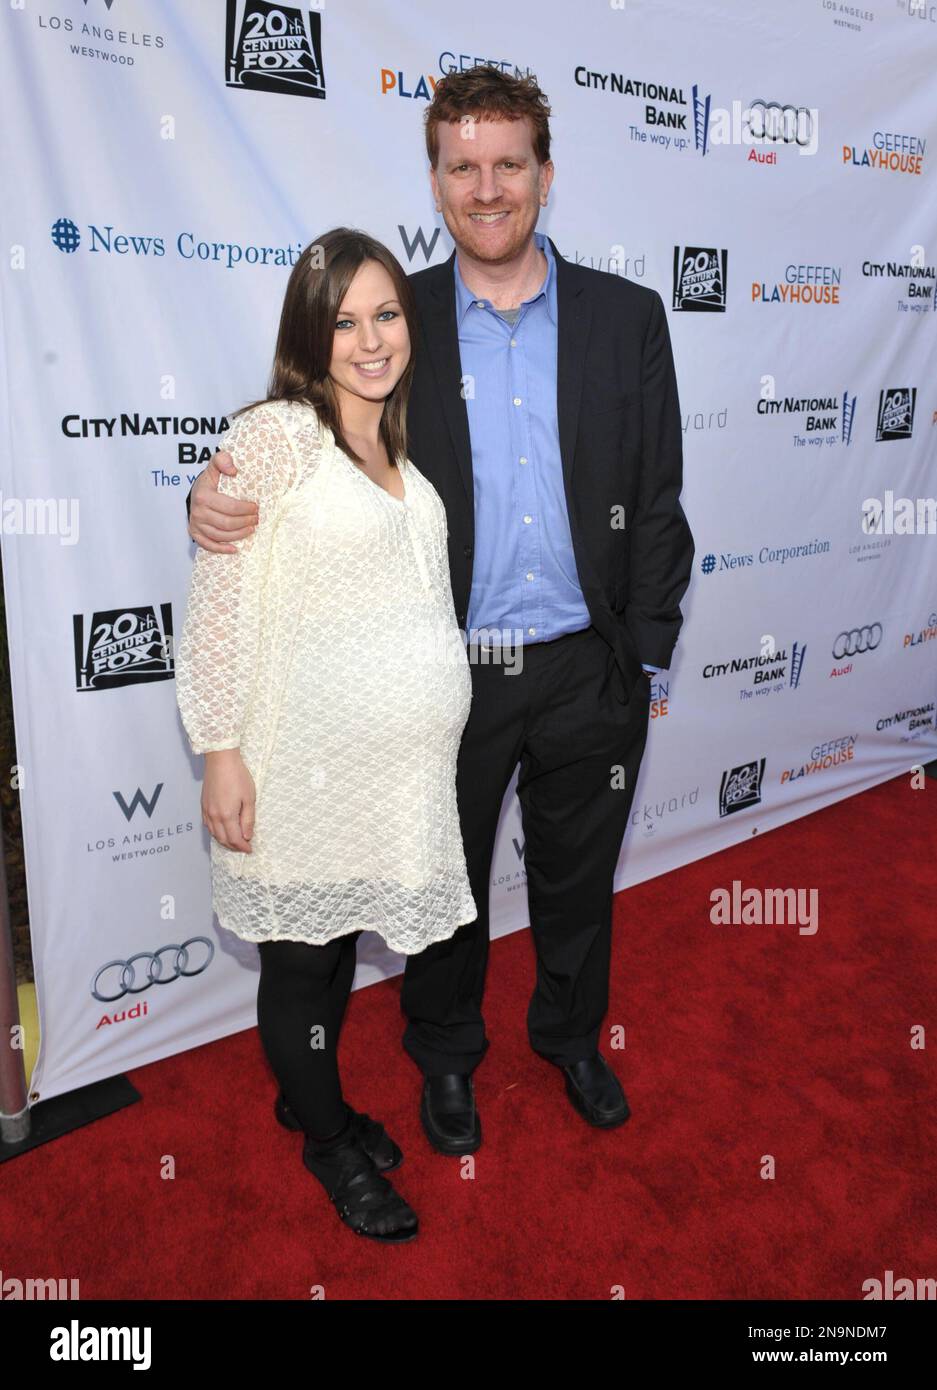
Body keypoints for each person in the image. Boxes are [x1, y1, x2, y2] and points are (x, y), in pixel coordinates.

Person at [186, 66, 694, 1158]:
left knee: (577, 881)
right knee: (443, 893)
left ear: (544, 175)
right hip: (445, 678)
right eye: (462, 165)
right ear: (435, 180)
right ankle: (446, 1060)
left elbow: (656, 496)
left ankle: (568, 1035)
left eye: (509, 162)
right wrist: (213, 486)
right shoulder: (392, 317)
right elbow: (296, 435)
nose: (488, 186)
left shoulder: (627, 317)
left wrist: (641, 659)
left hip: (585, 664)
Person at [175, 227, 477, 1242]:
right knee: (302, 964)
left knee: (335, 946)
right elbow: (219, 604)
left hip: (387, 776)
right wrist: (220, 749)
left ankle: (312, 1098)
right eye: (343, 320)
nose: (369, 338)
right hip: (294, 766)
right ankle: (325, 1137)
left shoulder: (394, 442)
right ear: (311, 335)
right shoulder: (275, 437)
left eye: (385, 313)